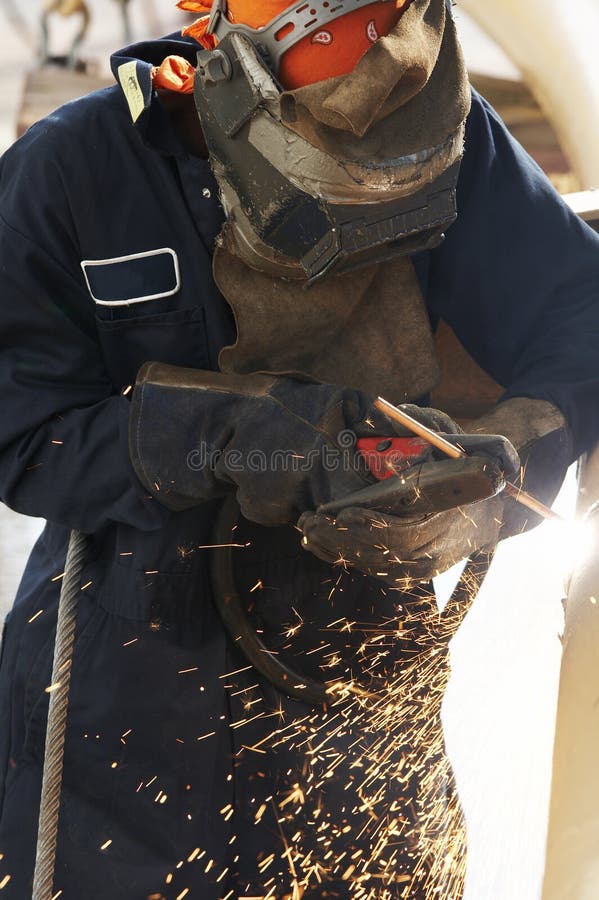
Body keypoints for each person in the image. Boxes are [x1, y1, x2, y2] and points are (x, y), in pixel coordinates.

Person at [0, 1, 597, 897]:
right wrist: (229, 434)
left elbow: (577, 313)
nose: (366, 107)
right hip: (124, 692)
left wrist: (513, 451)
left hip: (363, 669)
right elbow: (21, 430)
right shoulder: (78, 169)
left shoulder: (437, 139)